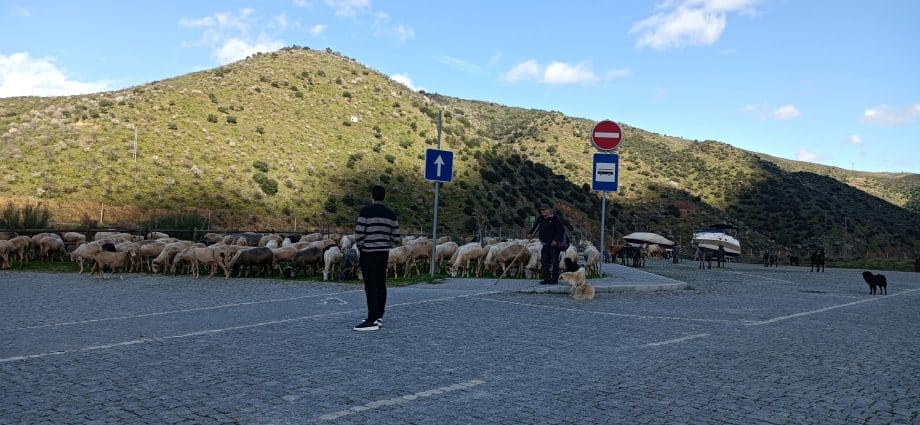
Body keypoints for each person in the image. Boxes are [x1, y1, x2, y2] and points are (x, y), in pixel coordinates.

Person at [353, 185, 400, 331]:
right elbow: (396, 238)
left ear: (372, 196)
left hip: (368, 253)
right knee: (381, 283)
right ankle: (379, 315)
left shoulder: (365, 212)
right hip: (383, 253)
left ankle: (371, 319)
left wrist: (362, 246)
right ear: (384, 197)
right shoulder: (391, 214)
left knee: (370, 286)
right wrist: (386, 245)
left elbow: (359, 234)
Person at [526, 204, 567, 285]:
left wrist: (555, 240)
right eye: (541, 210)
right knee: (544, 262)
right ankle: (547, 278)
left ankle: (555, 279)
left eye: (544, 210)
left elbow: (561, 231)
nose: (543, 211)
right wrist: (530, 233)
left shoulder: (555, 219)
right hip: (545, 244)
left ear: (549, 210)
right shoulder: (541, 218)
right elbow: (535, 226)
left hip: (554, 245)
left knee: (555, 262)